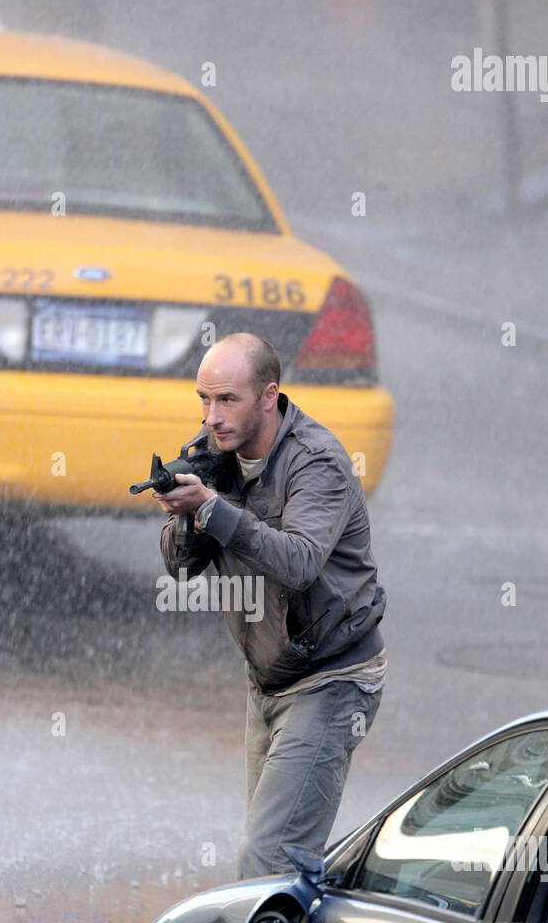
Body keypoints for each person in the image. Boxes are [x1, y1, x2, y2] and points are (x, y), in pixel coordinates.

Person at [154, 332, 386, 880]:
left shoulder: (318, 463)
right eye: (203, 400)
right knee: (278, 864)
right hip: (268, 680)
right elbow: (180, 567)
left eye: (227, 400)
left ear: (268, 396)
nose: (212, 417)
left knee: (267, 861)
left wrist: (212, 509)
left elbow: (300, 561)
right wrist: (186, 514)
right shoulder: (217, 451)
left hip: (333, 680)